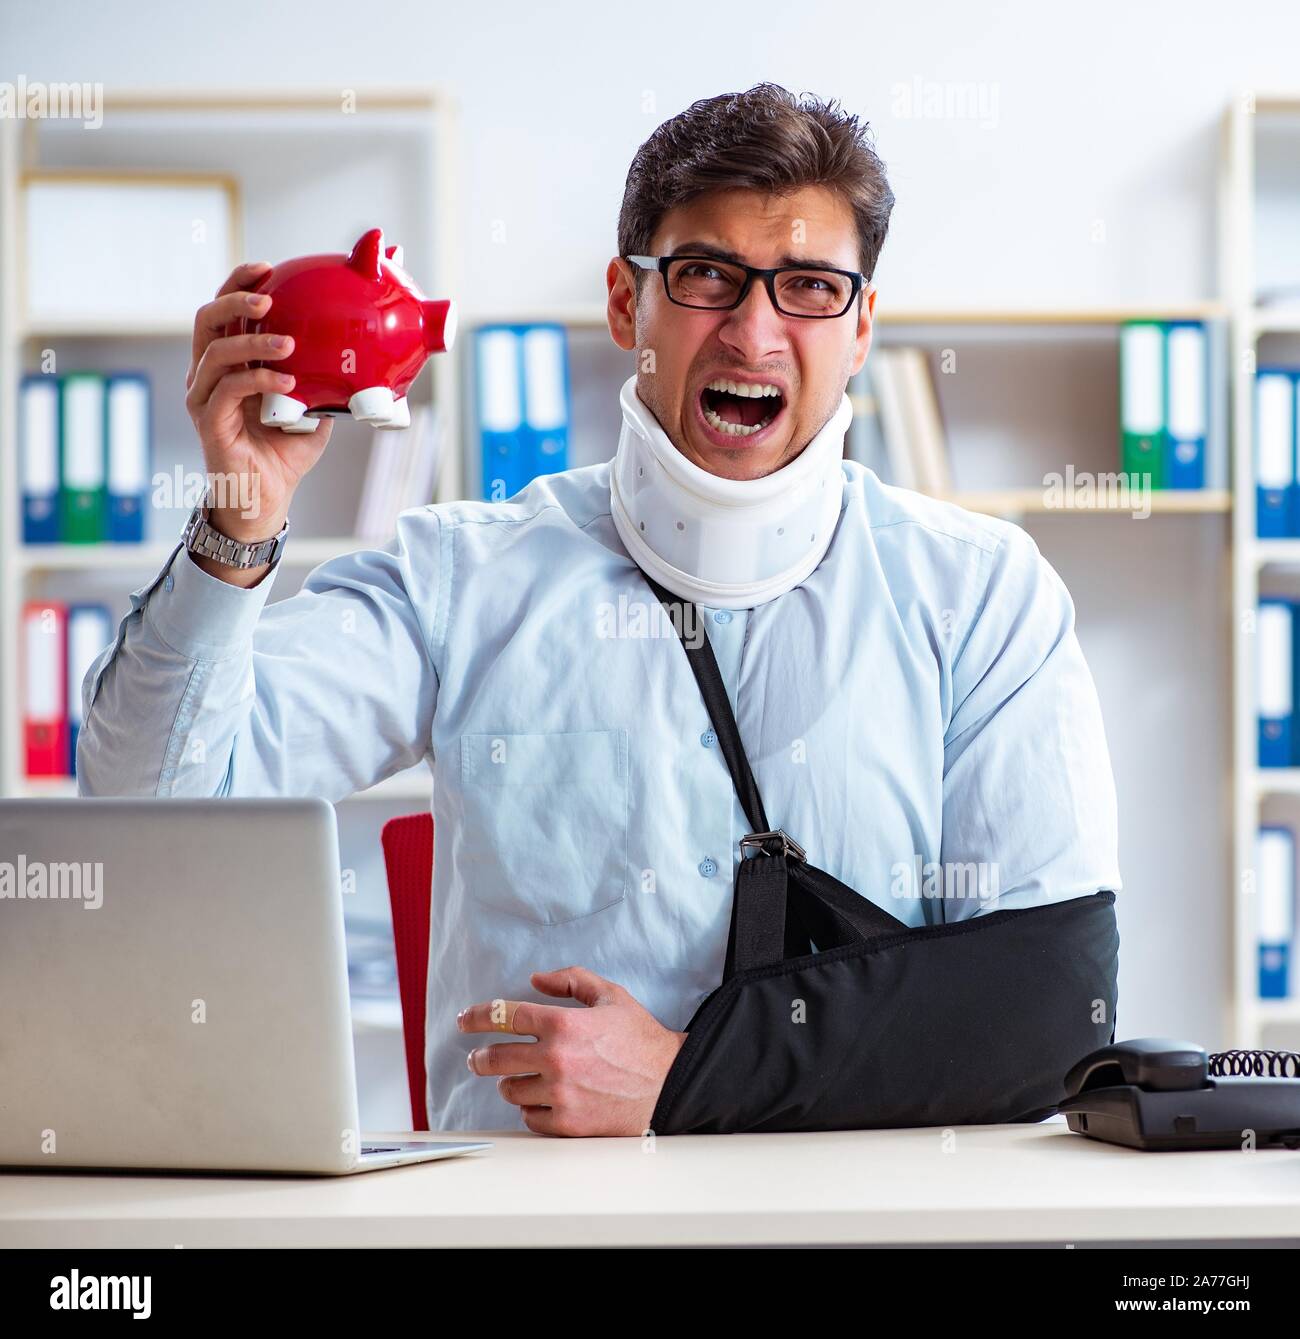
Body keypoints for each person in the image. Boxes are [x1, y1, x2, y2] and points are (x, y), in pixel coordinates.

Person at [77, 82, 1121, 1136]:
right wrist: (237, 523)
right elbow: (152, 812)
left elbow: (1047, 1005)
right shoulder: (461, 577)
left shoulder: (982, 595)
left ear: (859, 330)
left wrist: (689, 1078)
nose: (754, 333)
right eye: (708, 275)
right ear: (626, 303)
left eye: (807, 286)